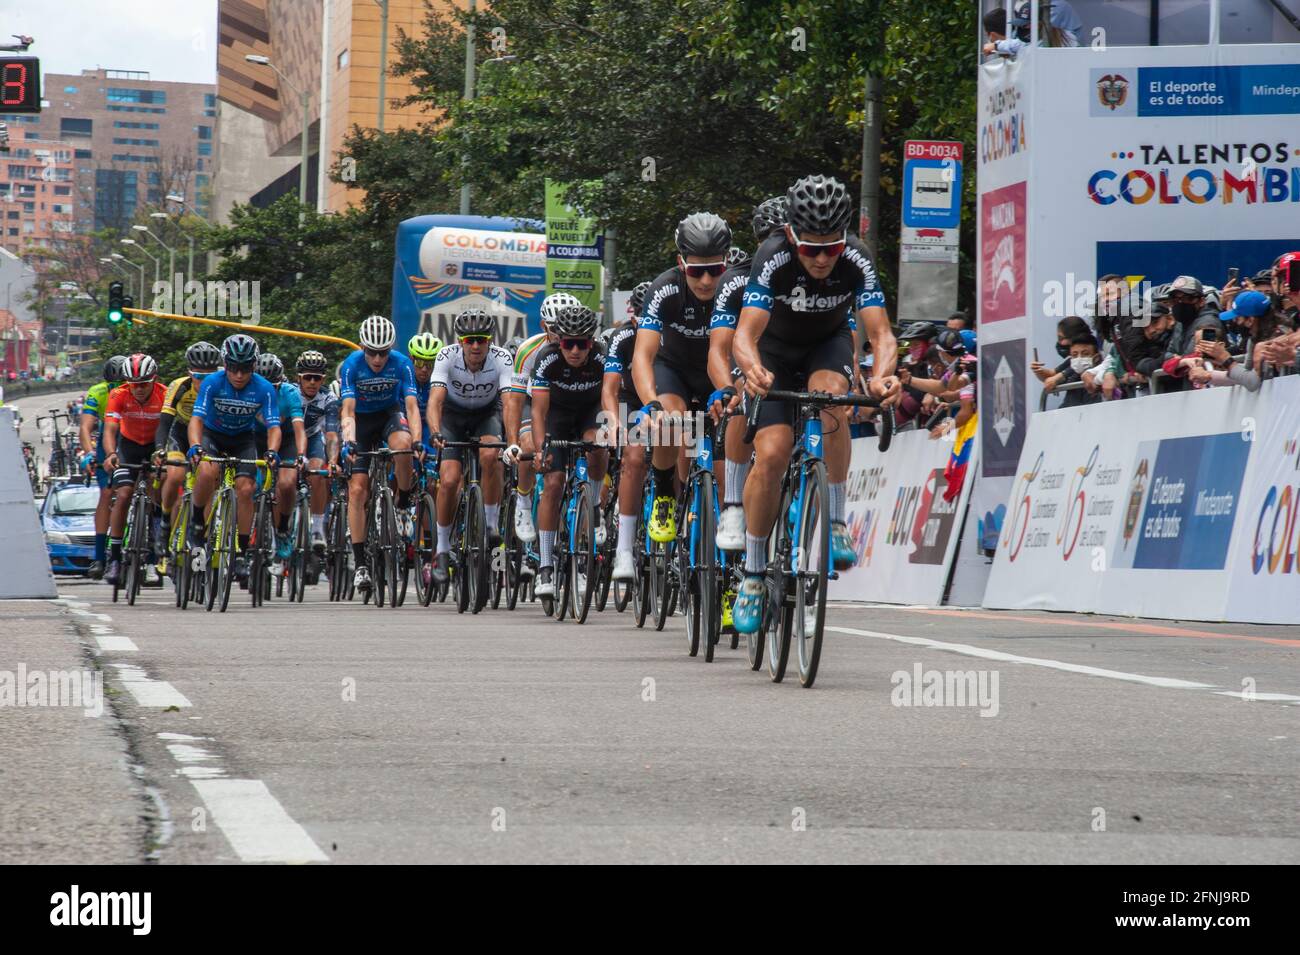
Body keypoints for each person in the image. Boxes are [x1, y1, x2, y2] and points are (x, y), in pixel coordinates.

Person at [731, 174, 900, 634]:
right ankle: (752, 571)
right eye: (811, 249)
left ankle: (838, 519)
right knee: (771, 453)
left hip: (826, 346)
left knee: (832, 402)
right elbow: (744, 336)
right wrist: (751, 370)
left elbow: (881, 333)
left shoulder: (858, 257)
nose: (823, 258)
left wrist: (883, 376)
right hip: (775, 354)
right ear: (791, 237)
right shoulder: (772, 256)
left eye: (832, 248)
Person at [633, 211, 732, 545]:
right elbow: (643, 357)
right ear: (681, 262)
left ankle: (729, 568)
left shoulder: (736, 288)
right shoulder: (664, 289)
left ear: (727, 262)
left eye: (715, 270)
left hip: (720, 375)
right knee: (669, 421)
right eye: (696, 270)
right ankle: (664, 493)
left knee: (727, 481)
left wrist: (734, 388)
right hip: (674, 370)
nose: (706, 281)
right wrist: (650, 402)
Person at [708, 196, 788, 560]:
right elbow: (722, 347)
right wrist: (729, 387)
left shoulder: (813, 272)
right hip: (751, 357)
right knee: (741, 398)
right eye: (770, 237)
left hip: (792, 364)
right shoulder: (737, 280)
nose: (779, 245)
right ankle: (734, 504)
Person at [426, 308, 513, 584]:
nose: (476, 346)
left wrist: (511, 442)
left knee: (492, 455)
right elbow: (436, 401)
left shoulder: (502, 359)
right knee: (450, 479)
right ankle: (441, 549)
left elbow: (510, 402)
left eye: (481, 339)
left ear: (490, 340)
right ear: (460, 340)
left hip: (486, 415)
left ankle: (489, 524)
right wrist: (436, 431)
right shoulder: (446, 356)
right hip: (453, 416)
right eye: (469, 340)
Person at [188, 334, 283, 583]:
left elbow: (274, 427)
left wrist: (272, 451)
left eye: (245, 369)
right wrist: (196, 446)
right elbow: (196, 419)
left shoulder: (264, 388)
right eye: (233, 368)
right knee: (207, 472)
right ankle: (197, 520)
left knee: (246, 488)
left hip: (243, 440)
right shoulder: (212, 382)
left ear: (253, 366)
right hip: (212, 435)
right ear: (225, 364)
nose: (238, 375)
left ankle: (241, 552)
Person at [337, 315, 421, 596]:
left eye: (383, 352)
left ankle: (403, 502)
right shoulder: (351, 365)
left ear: (390, 349)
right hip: (360, 423)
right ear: (363, 347)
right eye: (371, 352)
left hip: (388, 415)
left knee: (404, 443)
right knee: (358, 490)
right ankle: (361, 563)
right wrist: (348, 441)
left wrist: (419, 440)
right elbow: (347, 410)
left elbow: (411, 405)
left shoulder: (402, 363)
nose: (377, 359)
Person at [529, 302, 608, 598]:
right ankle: (546, 566)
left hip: (590, 412)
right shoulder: (547, 359)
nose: (575, 351)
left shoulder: (602, 356)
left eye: (582, 343)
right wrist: (540, 450)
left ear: (592, 342)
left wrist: (612, 428)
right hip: (557, 417)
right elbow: (537, 412)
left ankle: (595, 506)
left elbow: (611, 397)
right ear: (558, 341)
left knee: (598, 447)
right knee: (552, 483)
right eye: (568, 343)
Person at [503, 293, 573, 552]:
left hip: (564, 404)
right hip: (534, 401)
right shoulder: (528, 350)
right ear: (544, 326)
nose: (561, 334)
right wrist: (512, 443)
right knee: (528, 442)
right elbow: (514, 401)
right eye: (556, 328)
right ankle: (522, 499)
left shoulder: (579, 344)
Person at [155, 341, 222, 573]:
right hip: (181, 433)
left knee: (207, 483)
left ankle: (199, 547)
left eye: (208, 376)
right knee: (174, 476)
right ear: (188, 372)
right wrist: (159, 450)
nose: (202, 382)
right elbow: (164, 423)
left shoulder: (223, 385)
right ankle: (165, 522)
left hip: (208, 434)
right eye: (197, 376)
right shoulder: (179, 386)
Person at [101, 354, 165, 587]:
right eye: (133, 383)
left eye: (143, 384)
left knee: (157, 494)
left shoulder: (164, 394)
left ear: (154, 380)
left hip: (154, 447)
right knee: (124, 494)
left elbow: (169, 429)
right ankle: (115, 558)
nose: (138, 389)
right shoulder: (118, 394)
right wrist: (110, 454)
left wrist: (163, 453)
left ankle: (152, 561)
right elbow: (110, 429)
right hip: (127, 448)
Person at [254, 353, 306, 569]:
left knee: (286, 483)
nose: (269, 391)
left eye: (274, 386)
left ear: (281, 382)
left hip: (286, 441)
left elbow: (299, 429)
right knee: (251, 485)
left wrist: (301, 454)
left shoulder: (291, 393)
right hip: (255, 439)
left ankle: (283, 529)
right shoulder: (247, 392)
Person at [285, 349, 341, 551]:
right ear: (298, 378)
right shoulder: (288, 392)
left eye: (316, 378)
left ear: (323, 379)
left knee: (319, 473)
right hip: (289, 437)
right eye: (307, 377)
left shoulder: (329, 398)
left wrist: (333, 461)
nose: (312, 382)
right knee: (285, 479)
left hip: (313, 436)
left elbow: (332, 435)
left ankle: (317, 528)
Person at [79, 355, 127, 578]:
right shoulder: (97, 392)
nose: (118, 389)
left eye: (122, 384)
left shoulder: (138, 390)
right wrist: (89, 454)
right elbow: (86, 427)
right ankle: (99, 557)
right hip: (108, 439)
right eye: (113, 385)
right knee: (107, 494)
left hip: (132, 437)